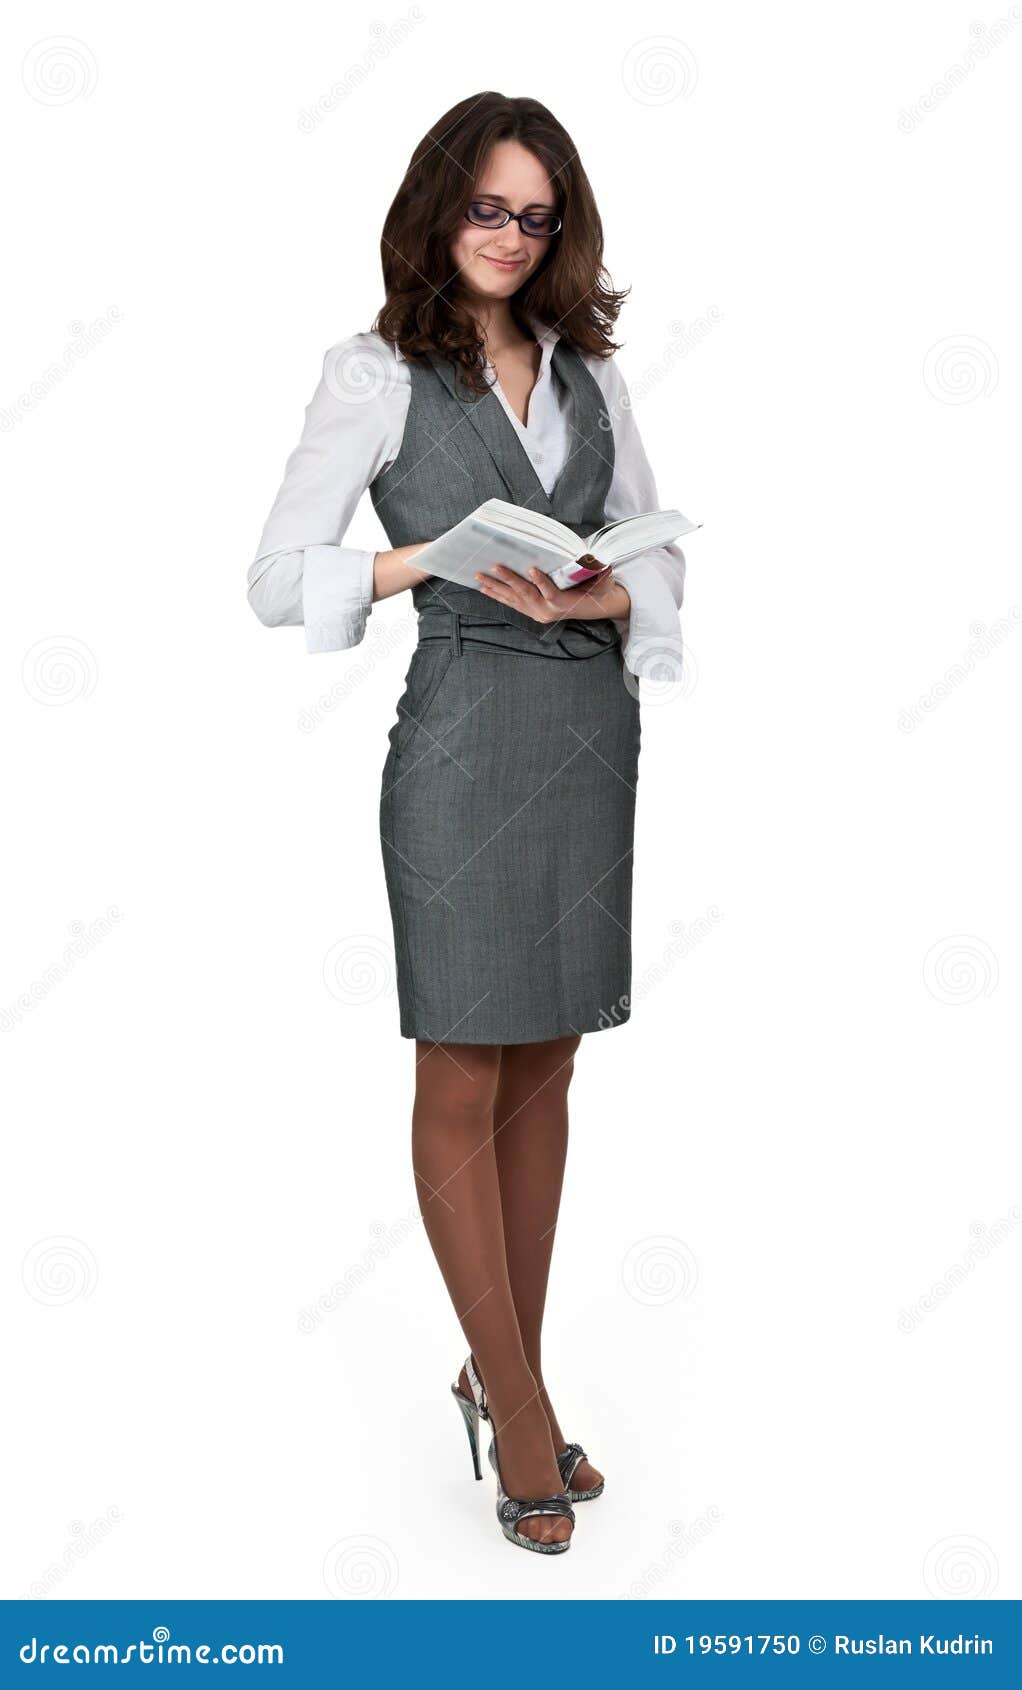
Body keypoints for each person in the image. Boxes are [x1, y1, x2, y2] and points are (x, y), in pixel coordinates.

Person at [248, 92, 688, 1554]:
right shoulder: (373, 373)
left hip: (586, 739)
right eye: (487, 207)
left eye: (536, 217)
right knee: (462, 1058)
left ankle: (497, 1367)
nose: (509, 237)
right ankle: (521, 1398)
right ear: (439, 207)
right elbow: (274, 578)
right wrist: (426, 555)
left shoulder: (588, 372)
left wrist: (606, 592)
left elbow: (655, 557)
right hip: (458, 742)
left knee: (547, 1062)